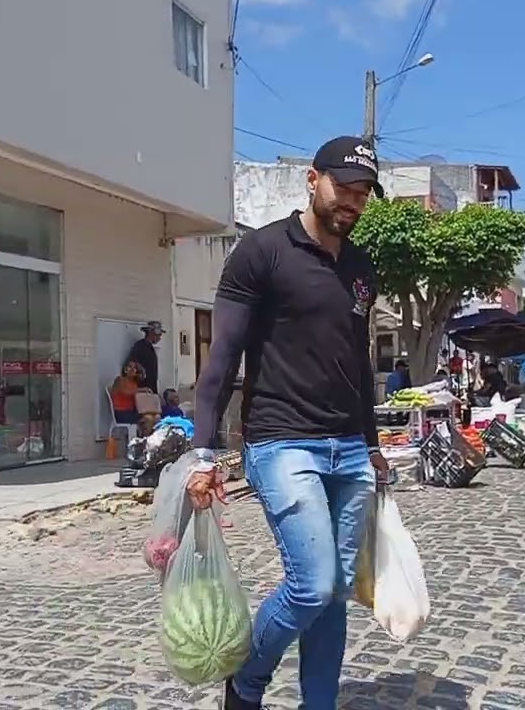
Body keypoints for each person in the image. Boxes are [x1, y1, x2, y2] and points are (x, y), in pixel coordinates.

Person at [188, 135, 389, 710]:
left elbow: (357, 357)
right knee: (313, 582)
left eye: (362, 193)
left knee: (335, 594)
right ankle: (247, 680)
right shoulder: (262, 252)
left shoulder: (358, 266)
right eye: (342, 187)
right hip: (281, 442)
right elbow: (223, 353)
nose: (351, 202)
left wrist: (371, 441)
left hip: (348, 448)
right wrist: (204, 454)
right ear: (311, 178)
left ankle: (318, 703)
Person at [126, 321, 164, 393]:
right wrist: (141, 369)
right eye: (158, 335)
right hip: (143, 387)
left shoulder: (151, 348)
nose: (159, 338)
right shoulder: (140, 345)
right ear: (151, 333)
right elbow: (132, 361)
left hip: (151, 387)